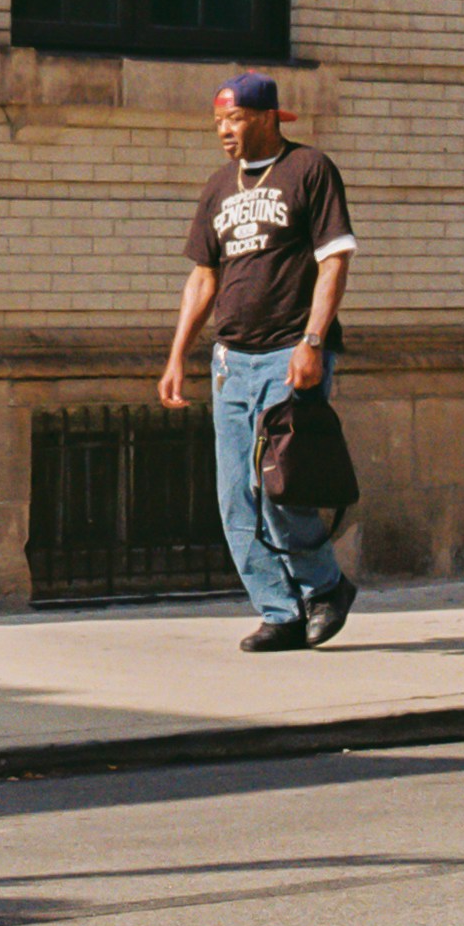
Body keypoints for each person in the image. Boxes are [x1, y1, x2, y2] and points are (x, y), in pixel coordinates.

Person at [157, 71, 358, 652]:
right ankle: (280, 610)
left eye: (235, 119)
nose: (224, 131)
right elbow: (203, 278)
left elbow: (334, 262)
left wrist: (314, 342)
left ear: (268, 117)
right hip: (230, 362)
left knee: (278, 484)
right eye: (219, 121)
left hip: (287, 353)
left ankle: (325, 588)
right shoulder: (219, 187)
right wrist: (177, 356)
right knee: (234, 496)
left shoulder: (309, 170)